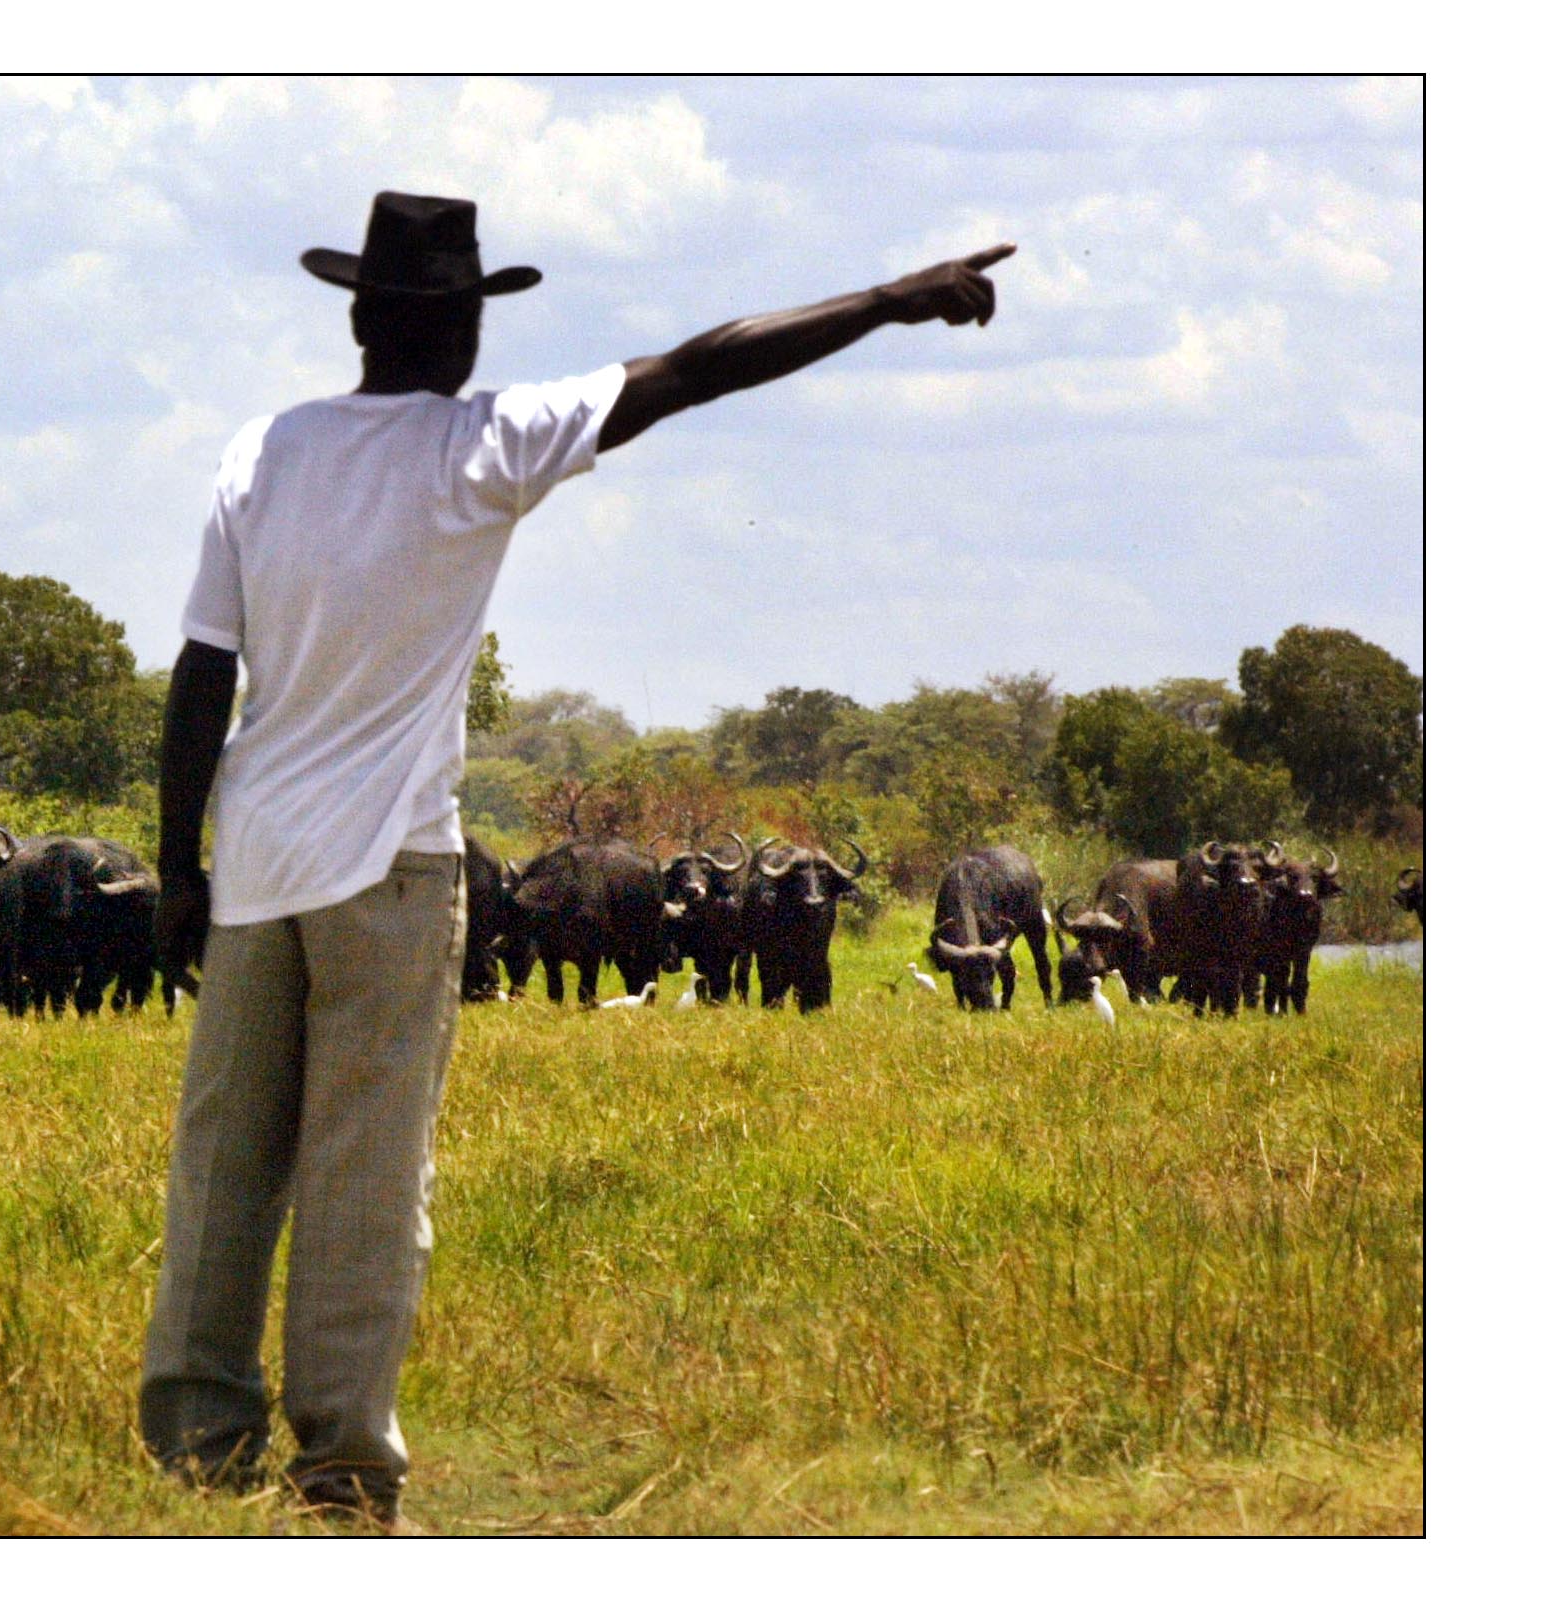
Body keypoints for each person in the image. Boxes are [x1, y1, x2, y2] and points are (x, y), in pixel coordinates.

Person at [136, 190, 1014, 1527]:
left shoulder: (264, 450)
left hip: (251, 865)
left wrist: (178, 868)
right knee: (362, 1178)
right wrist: (889, 300)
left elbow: (201, 673)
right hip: (388, 868)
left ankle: (194, 1450)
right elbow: (699, 365)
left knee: (220, 1168)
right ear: (463, 332)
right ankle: (338, 1472)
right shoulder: (478, 445)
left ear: (359, 316)